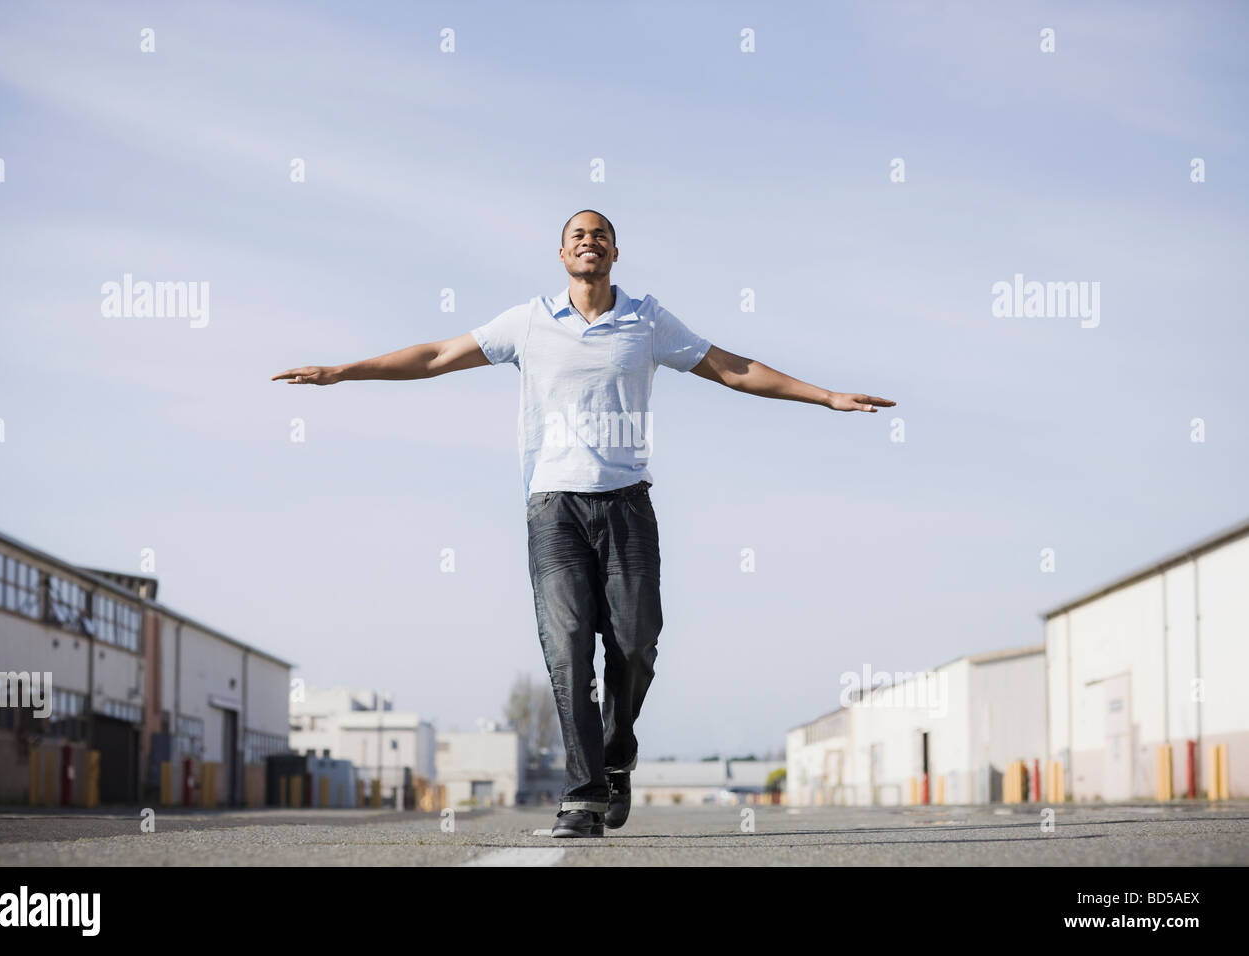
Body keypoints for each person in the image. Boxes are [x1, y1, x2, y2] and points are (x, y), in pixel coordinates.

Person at [272, 209, 894, 837]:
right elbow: (435, 356)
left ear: (615, 253)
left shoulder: (646, 320)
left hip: (626, 504)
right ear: (562, 253)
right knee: (567, 652)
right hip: (554, 507)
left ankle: (617, 752)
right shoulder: (530, 322)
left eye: (600, 235)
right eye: (578, 235)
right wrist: (340, 371)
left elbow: (733, 368)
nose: (589, 242)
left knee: (635, 644)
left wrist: (827, 396)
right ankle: (583, 795)